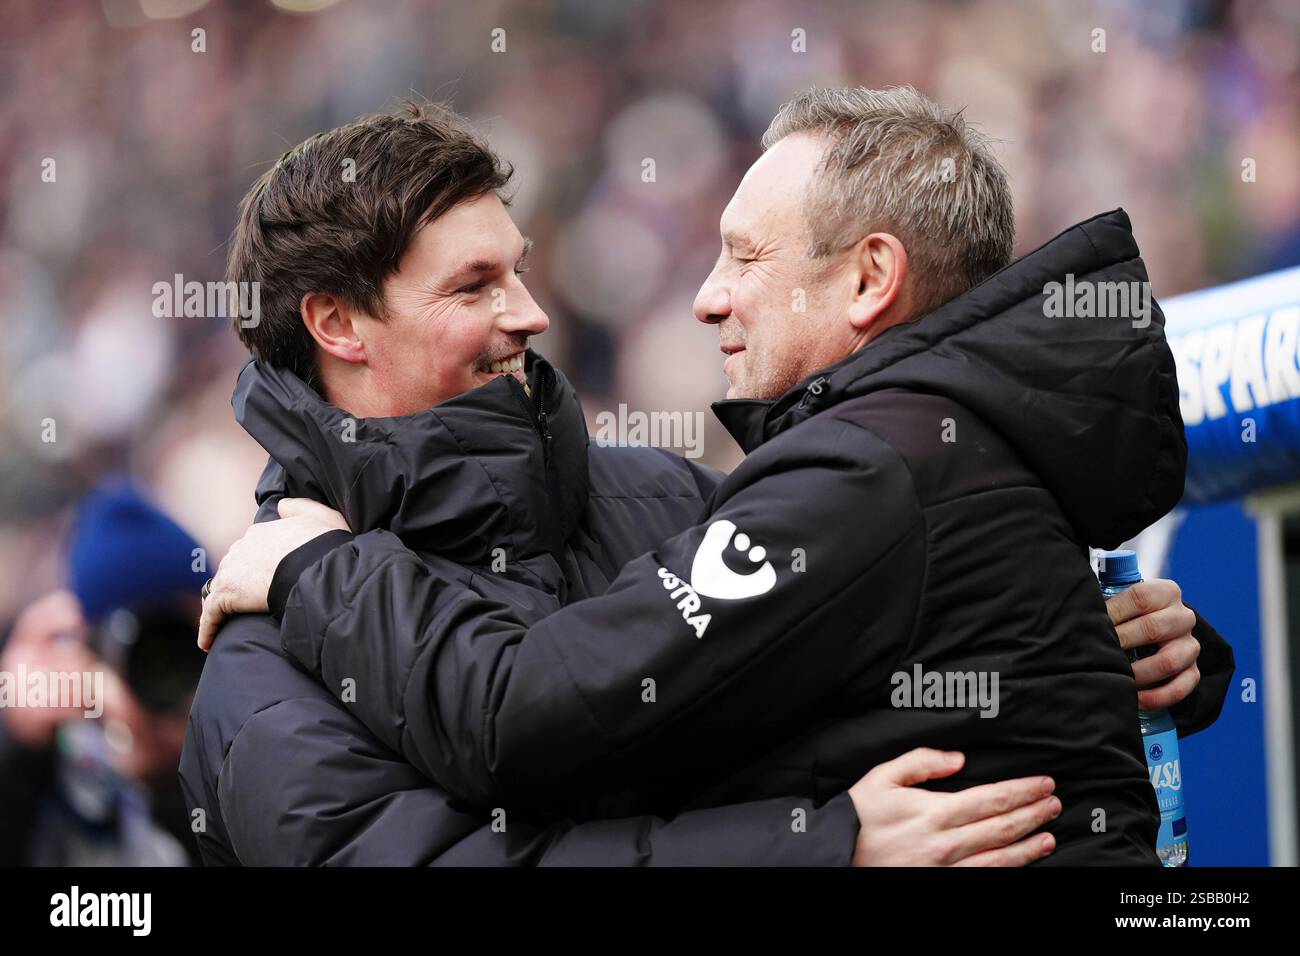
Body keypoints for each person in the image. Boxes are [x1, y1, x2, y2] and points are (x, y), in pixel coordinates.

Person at [202, 87, 1234, 865]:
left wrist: (1075, 652)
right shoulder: (261, 655)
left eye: (743, 258)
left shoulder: (679, 494)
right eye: (476, 283)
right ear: (338, 324)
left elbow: (877, 665)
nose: (531, 312)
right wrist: (824, 845)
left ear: (870, 276)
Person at [0, 484, 206, 866]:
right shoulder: (57, 759)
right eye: (138, 647)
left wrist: (173, 779)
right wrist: (18, 743)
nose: (159, 668)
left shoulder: (241, 731)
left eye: (181, 639)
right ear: (86, 651)